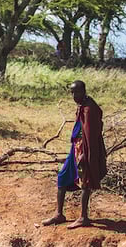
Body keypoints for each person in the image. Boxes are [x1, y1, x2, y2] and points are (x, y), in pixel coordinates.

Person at [42, 80, 107, 228]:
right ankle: (59, 214)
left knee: (85, 181)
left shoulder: (90, 109)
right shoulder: (82, 106)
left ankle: (83, 217)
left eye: (76, 92)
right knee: (62, 176)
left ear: (83, 91)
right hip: (76, 148)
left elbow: (92, 134)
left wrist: (85, 153)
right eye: (71, 92)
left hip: (85, 150)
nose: (73, 96)